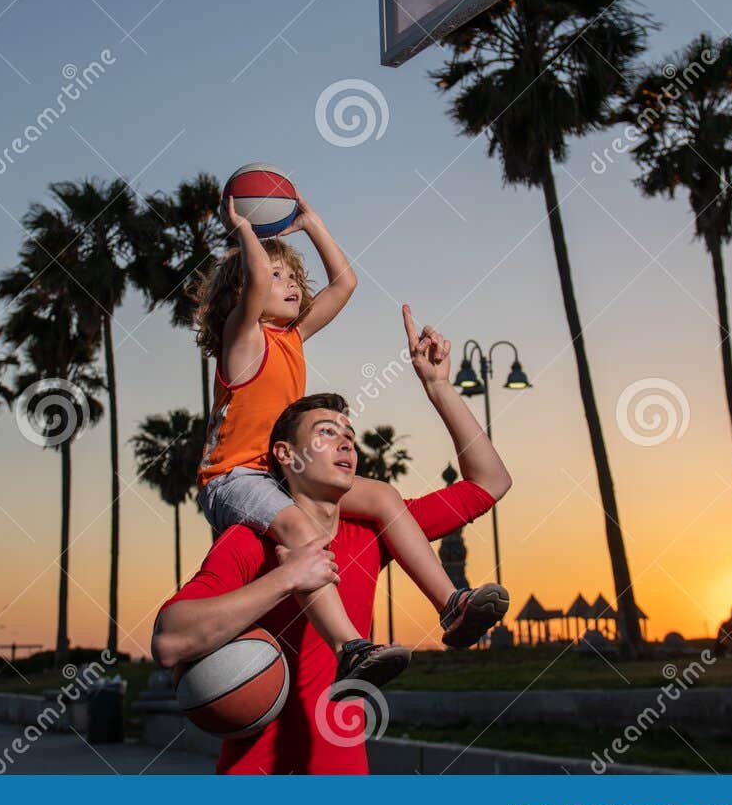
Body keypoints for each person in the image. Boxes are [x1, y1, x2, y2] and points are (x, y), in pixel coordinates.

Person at [153, 306, 514, 773]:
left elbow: (490, 483)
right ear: (284, 454)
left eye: (349, 435)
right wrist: (287, 578)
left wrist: (438, 386)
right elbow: (169, 640)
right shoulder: (250, 541)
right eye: (326, 433)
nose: (346, 443)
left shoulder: (376, 529)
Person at [191, 197, 507, 692]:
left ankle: (452, 606)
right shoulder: (242, 339)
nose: (291, 283)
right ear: (244, 293)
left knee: (383, 496)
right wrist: (244, 229)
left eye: (294, 277)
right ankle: (349, 647)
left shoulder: (290, 338)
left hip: (282, 471)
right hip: (235, 478)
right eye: (279, 277)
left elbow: (345, 285)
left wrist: (311, 223)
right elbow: (252, 278)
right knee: (297, 524)